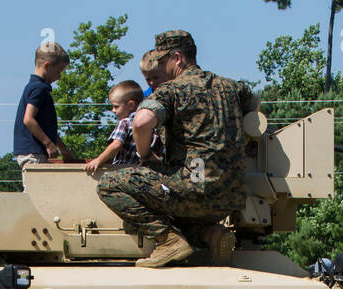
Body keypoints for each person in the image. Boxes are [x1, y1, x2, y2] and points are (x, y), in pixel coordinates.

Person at [97, 30, 256, 267]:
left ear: (178, 58)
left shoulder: (172, 90)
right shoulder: (232, 87)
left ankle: (167, 240)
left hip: (192, 188)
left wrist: (144, 156)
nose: (160, 68)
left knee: (109, 185)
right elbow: (254, 104)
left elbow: (140, 122)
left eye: (162, 61)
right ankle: (210, 234)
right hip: (228, 197)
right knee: (180, 212)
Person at [13, 41, 77, 168]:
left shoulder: (35, 87)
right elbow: (28, 119)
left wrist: (62, 148)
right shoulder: (39, 88)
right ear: (47, 66)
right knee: (38, 187)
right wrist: (48, 144)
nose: (59, 77)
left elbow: (46, 127)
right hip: (33, 153)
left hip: (33, 152)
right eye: (59, 71)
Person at [84, 81, 159, 173]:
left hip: (122, 170)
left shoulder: (125, 123)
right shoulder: (150, 125)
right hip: (144, 170)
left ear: (131, 105)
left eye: (116, 106)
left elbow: (116, 144)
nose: (113, 110)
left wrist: (98, 160)